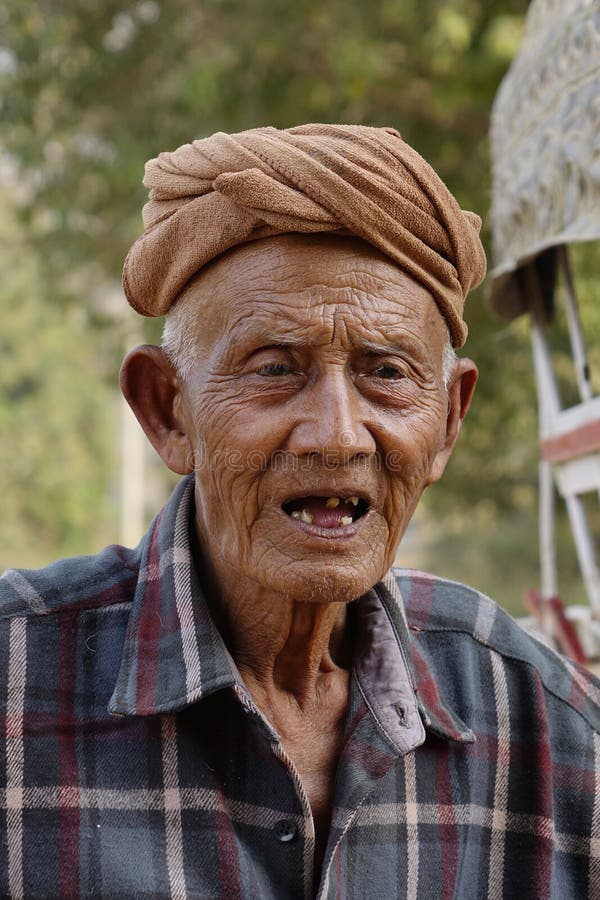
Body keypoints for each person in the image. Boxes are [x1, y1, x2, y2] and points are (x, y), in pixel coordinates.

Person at [1, 124, 599, 900]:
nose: (339, 436)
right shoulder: (16, 684)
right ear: (167, 411)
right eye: (274, 368)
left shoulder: (549, 731)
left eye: (386, 373)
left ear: (449, 421)